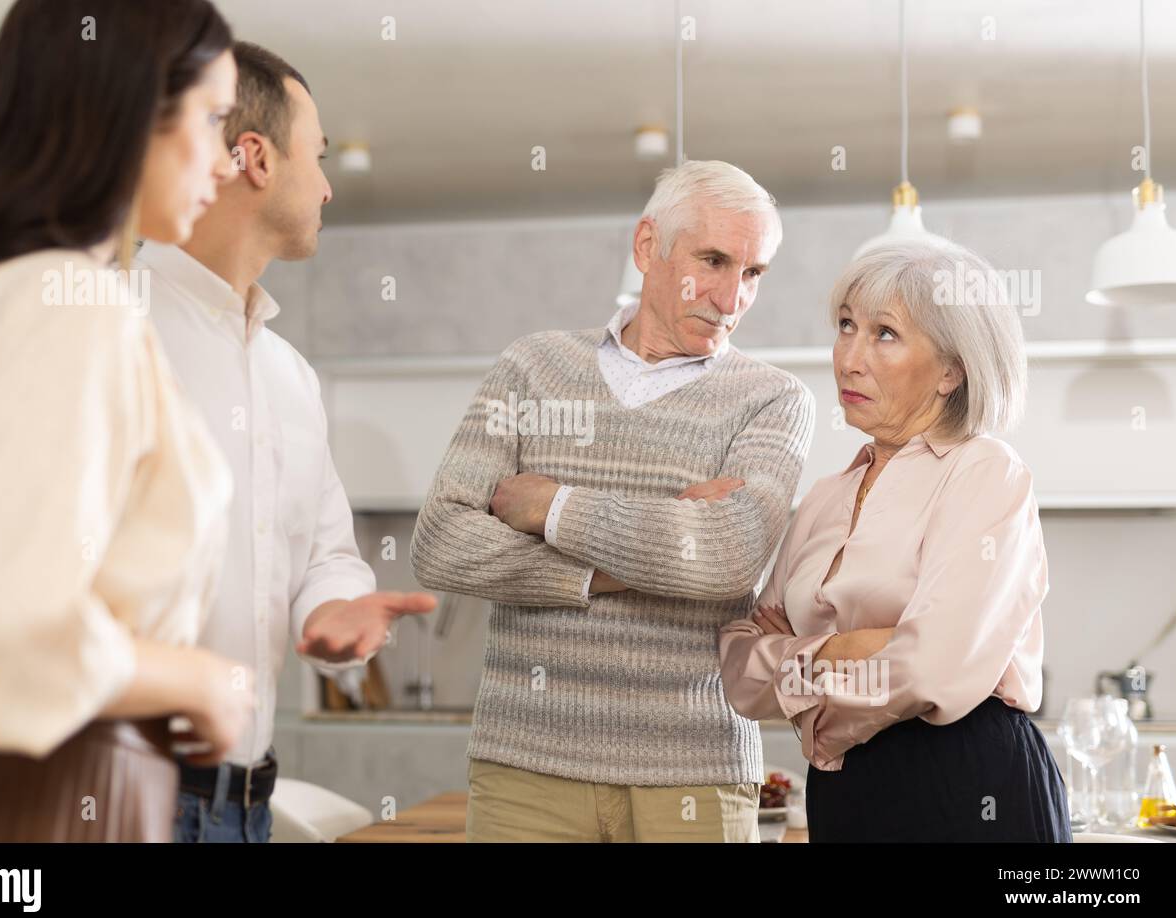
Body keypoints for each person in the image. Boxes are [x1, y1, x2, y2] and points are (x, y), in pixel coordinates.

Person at [0, 0, 252, 842]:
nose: (228, 162)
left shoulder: (26, 296)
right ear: (130, 111)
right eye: (213, 117)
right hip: (48, 793)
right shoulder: (70, 305)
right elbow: (0, 638)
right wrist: (196, 680)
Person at [412, 160, 815, 842]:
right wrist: (628, 559)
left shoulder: (774, 399)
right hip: (525, 767)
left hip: (696, 772)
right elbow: (441, 545)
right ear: (647, 246)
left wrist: (554, 509)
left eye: (753, 273)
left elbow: (726, 560)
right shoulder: (532, 369)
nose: (730, 297)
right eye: (713, 261)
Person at [136, 41, 436, 843]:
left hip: (245, 805)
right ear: (257, 158)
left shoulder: (291, 376)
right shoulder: (104, 327)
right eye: (320, 154)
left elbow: (324, 554)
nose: (330, 184)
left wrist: (333, 609)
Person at [719, 241, 1071, 842]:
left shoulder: (985, 471)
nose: (849, 359)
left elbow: (932, 668)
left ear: (951, 369)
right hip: (844, 792)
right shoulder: (823, 499)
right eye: (847, 325)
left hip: (968, 781)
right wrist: (851, 649)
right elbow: (737, 667)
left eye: (884, 334)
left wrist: (807, 676)